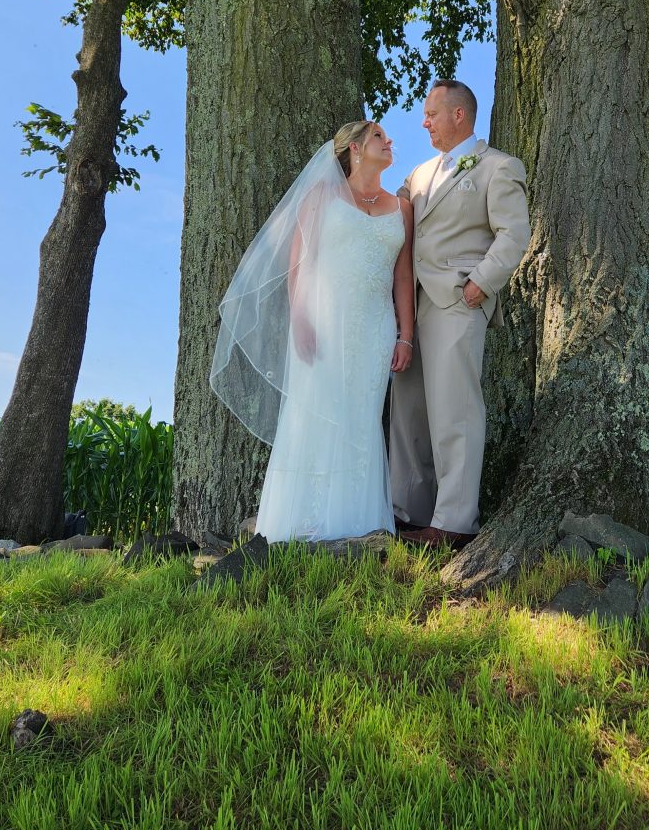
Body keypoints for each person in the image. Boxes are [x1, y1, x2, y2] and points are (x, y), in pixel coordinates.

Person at [210, 121, 415, 542]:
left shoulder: (402, 208)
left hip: (375, 327)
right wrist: (300, 319)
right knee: (314, 415)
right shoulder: (322, 195)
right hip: (322, 324)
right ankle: (300, 526)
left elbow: (402, 277)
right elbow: (299, 263)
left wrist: (405, 335)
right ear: (354, 148)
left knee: (361, 421)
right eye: (379, 136)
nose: (389, 140)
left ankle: (357, 525)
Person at [390, 80, 531, 549]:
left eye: (431, 114)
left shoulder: (499, 167)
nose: (424, 123)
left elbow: (513, 234)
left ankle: (454, 522)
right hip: (410, 307)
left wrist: (479, 285)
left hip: (457, 300)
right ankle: (410, 513)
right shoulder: (417, 175)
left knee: (456, 411)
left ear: (459, 115)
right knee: (409, 411)